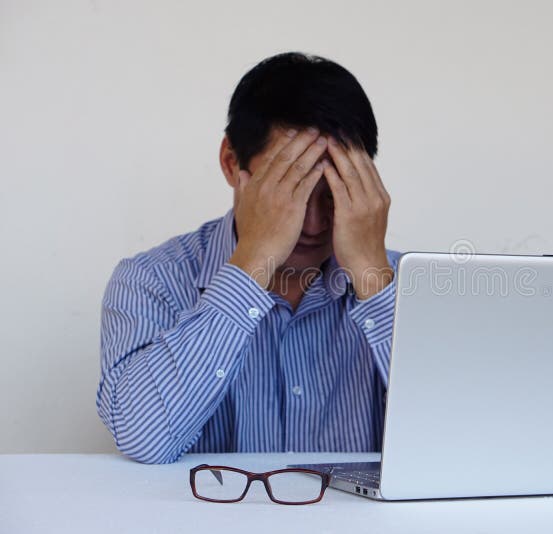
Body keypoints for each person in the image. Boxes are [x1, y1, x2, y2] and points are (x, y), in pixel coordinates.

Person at [96, 51, 399, 464]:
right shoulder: (152, 281)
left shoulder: (409, 287)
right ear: (230, 162)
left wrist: (373, 280)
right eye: (290, 191)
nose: (313, 224)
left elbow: (462, 446)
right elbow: (143, 438)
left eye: (334, 194)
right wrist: (252, 263)